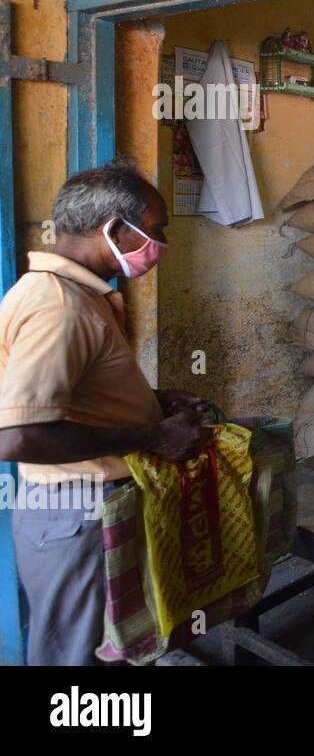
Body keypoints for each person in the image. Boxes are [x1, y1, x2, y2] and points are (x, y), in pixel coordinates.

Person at [0, 157, 212, 665]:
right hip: (77, 510)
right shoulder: (60, 307)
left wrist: (150, 403)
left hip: (86, 507)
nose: (160, 245)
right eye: (156, 231)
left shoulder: (79, 296)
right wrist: (154, 436)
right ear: (114, 228)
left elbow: (73, 397)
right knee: (74, 658)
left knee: (103, 648)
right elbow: (17, 437)